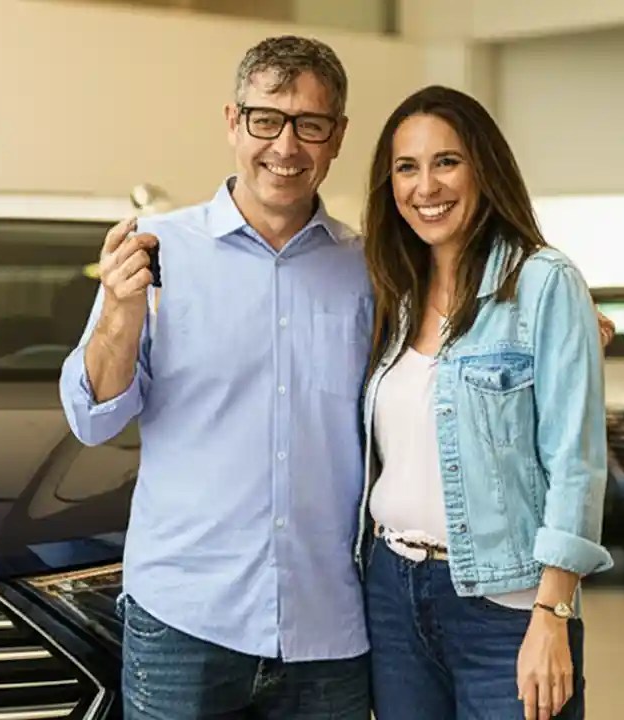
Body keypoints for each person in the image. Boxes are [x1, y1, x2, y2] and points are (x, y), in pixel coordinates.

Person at [59, 35, 374, 719]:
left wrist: (548, 316)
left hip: (329, 628)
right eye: (266, 119)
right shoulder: (157, 252)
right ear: (233, 122)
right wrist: (118, 312)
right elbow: (94, 418)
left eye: (310, 124)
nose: (286, 147)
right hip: (184, 620)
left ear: (338, 136)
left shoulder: (368, 270)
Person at [355, 84, 613, 720]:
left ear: (484, 168)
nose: (426, 187)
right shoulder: (393, 293)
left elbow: (575, 463)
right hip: (391, 592)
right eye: (406, 168)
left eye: (447, 161)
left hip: (508, 605)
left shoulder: (544, 283)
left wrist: (552, 613)